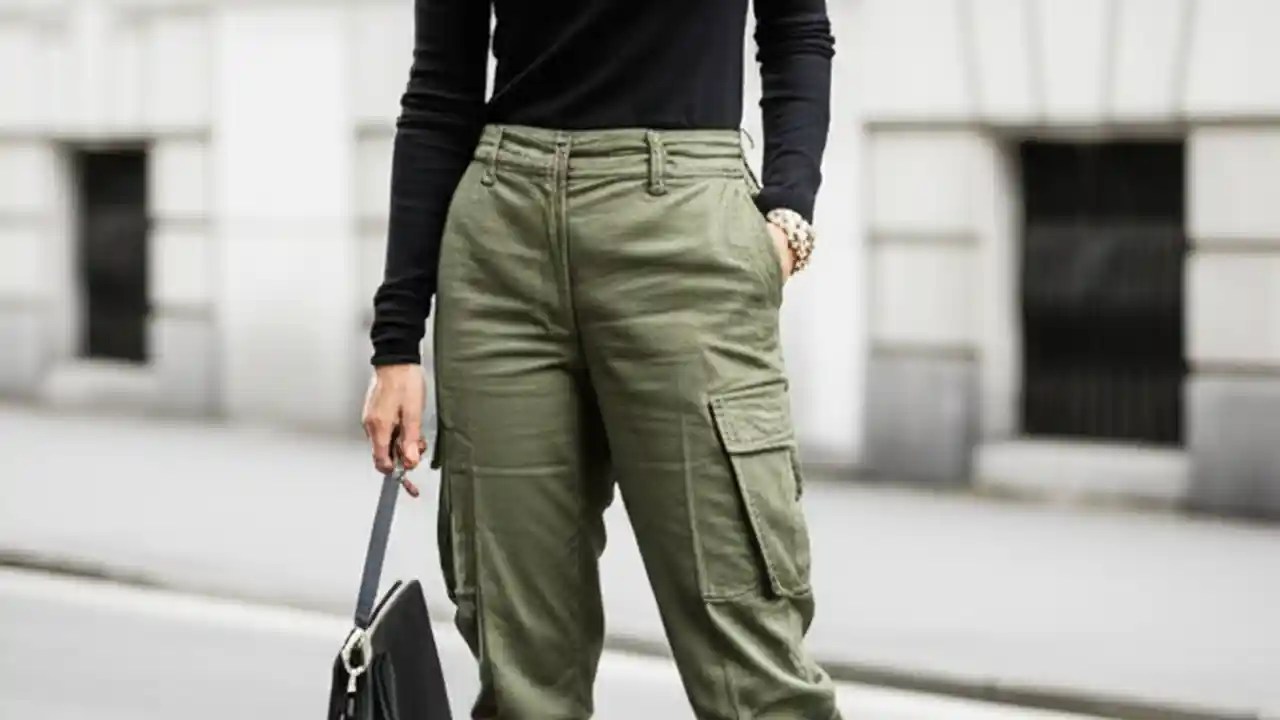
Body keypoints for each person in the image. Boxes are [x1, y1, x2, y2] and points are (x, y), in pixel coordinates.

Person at [361, 0, 838, 717]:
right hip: (501, 243)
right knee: (522, 676)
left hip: (684, 233)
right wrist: (396, 340)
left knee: (753, 670)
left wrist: (787, 216)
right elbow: (439, 91)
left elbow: (796, 29)